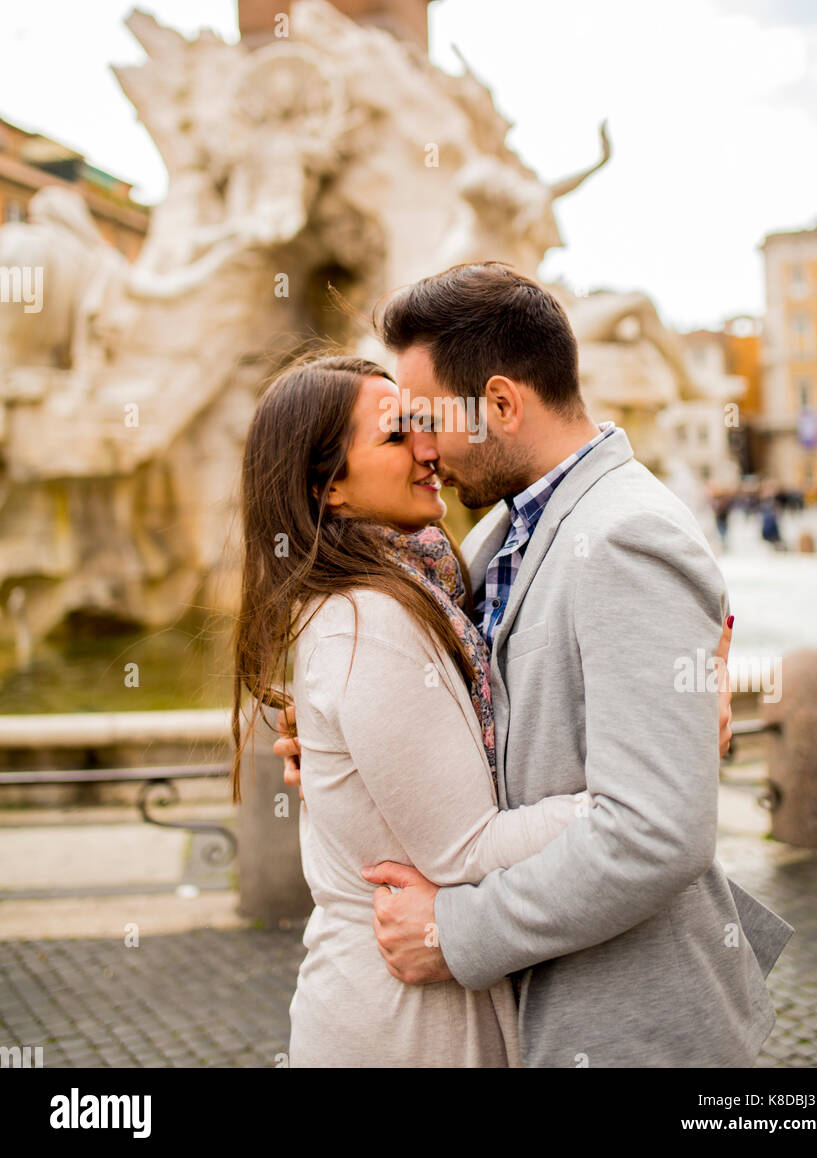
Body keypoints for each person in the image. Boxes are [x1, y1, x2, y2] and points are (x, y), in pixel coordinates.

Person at [234, 349, 735, 1068]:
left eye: (425, 422)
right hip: (404, 1021)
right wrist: (645, 787)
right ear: (329, 489)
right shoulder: (368, 616)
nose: (427, 448)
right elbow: (465, 848)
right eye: (398, 434)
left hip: (444, 999)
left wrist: (670, 711)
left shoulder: (445, 570)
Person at [350, 262, 793, 1068]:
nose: (422, 447)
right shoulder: (501, 534)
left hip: (631, 1025)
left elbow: (657, 831)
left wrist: (456, 933)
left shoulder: (628, 535)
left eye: (427, 418)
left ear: (503, 404)